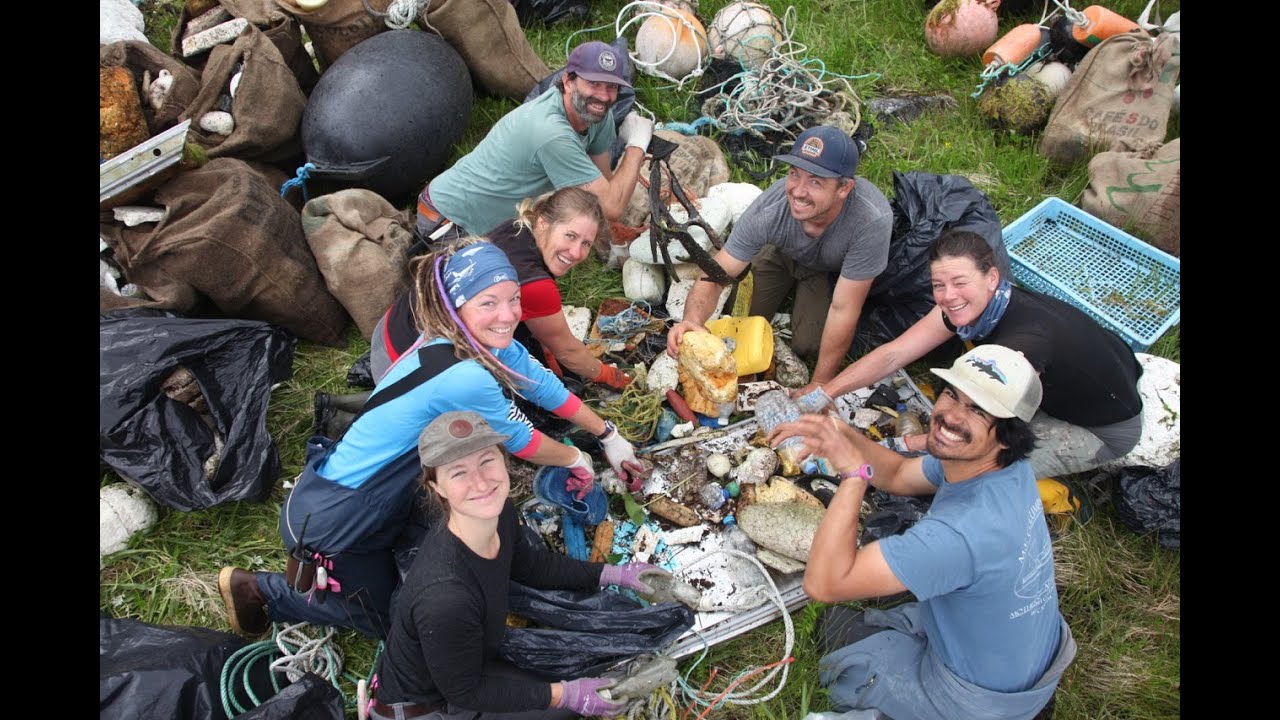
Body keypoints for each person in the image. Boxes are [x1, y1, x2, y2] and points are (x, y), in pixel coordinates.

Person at [218, 240, 648, 640]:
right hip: (340, 515)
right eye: (489, 302)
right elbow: (521, 440)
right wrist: (574, 458)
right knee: (392, 622)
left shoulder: (475, 340)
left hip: (393, 488)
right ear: (456, 305)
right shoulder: (465, 376)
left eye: (514, 298)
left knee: (454, 552)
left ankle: (367, 565)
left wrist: (607, 434)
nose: (508, 314)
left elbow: (542, 385)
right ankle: (262, 589)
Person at [767, 344, 1076, 720]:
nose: (951, 416)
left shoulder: (958, 536)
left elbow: (824, 584)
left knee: (840, 644)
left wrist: (854, 476)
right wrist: (841, 434)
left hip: (978, 699)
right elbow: (899, 474)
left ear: (1008, 435)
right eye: (952, 394)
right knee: (852, 625)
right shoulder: (1005, 467)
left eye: (978, 410)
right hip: (1023, 656)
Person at [368, 410, 669, 719]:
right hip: (430, 707)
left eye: (487, 461)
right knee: (565, 708)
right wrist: (565, 695)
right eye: (458, 473)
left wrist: (611, 574)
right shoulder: (446, 597)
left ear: (504, 460)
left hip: (472, 663)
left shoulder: (498, 514)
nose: (480, 482)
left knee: (580, 677)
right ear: (437, 488)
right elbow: (467, 691)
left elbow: (531, 567)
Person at [796, 228, 1144, 478]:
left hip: (1103, 429)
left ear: (992, 277)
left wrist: (900, 446)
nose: (948, 296)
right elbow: (894, 354)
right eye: (938, 285)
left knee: (963, 466)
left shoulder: (1019, 349)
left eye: (960, 282)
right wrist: (824, 392)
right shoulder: (979, 304)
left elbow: (979, 430)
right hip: (1083, 378)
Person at [314, 188, 633, 441]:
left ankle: (384, 401)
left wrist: (549, 354)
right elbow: (569, 351)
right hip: (400, 360)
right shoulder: (536, 284)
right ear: (543, 223)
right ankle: (363, 418)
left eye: (586, 243)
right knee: (488, 421)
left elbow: (547, 337)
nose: (577, 253)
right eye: (570, 236)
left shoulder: (516, 229)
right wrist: (613, 377)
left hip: (392, 327)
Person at [666, 125, 893, 388]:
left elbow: (845, 309)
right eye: (794, 174)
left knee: (809, 344)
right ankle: (768, 268)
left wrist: (821, 383)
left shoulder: (870, 221)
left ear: (844, 188)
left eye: (815, 181)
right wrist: (692, 321)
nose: (798, 191)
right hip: (781, 252)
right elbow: (716, 274)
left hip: (828, 268)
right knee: (739, 318)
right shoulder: (770, 210)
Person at [415, 40, 653, 243]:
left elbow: (603, 189)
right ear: (568, 81)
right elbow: (612, 207)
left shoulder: (597, 113)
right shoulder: (551, 132)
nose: (603, 96)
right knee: (507, 280)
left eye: (611, 87)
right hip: (449, 220)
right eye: (593, 83)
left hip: (496, 223)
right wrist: (637, 145)